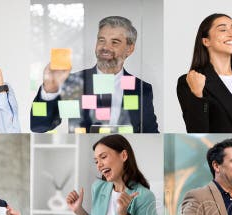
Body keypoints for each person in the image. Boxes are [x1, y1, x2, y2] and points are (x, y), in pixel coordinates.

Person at [31, 16, 159, 133]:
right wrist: (50, 89)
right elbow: (38, 126)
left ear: (129, 49)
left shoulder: (142, 89)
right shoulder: (75, 81)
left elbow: (150, 132)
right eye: (101, 40)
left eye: (114, 42)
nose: (105, 47)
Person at [65, 134, 158, 215]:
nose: (99, 165)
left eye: (103, 157)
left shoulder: (144, 197)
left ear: (123, 155)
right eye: (96, 161)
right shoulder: (98, 188)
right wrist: (78, 211)